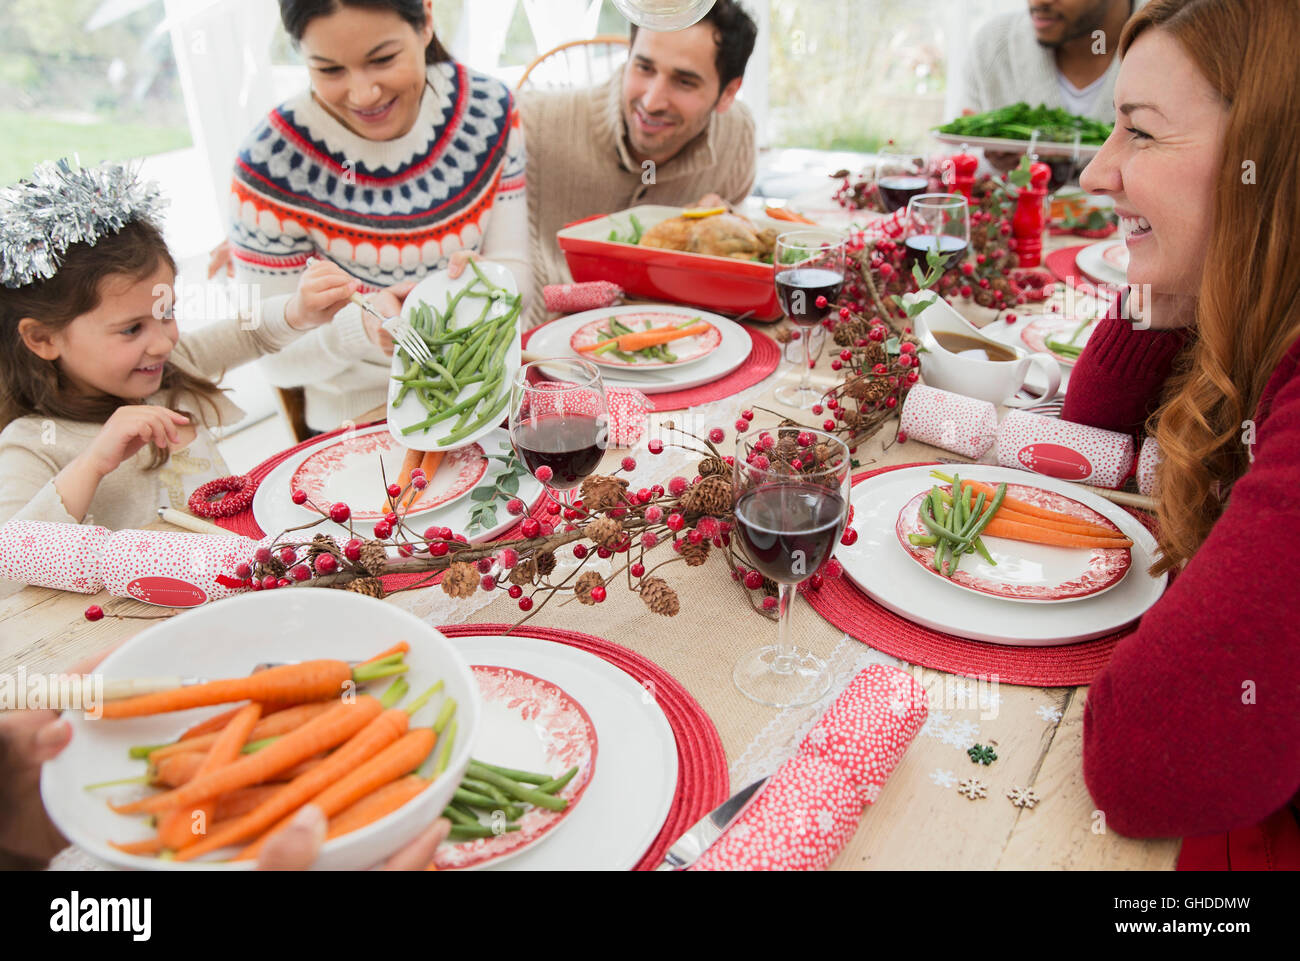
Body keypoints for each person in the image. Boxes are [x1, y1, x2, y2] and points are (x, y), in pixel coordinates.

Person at [1063, 0, 1300, 869]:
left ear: (1271, 162)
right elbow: (1091, 441)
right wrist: (1167, 273)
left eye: (1141, 134)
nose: (1095, 171)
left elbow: (1149, 760)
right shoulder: (1263, 311)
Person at [0, 160, 397, 531]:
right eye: (131, 329)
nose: (162, 342)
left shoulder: (172, 367)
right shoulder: (32, 443)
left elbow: (250, 332)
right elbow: (8, 570)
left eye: (167, 313)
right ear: (42, 338)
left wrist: (299, 311)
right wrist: (92, 464)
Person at [231, 0, 528, 434]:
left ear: (426, 19)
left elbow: (517, 267)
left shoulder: (490, 111)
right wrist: (362, 325)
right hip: (358, 423)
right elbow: (273, 359)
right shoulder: (271, 163)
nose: (363, 94)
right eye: (329, 70)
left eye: (383, 60)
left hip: (490, 400)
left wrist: (490, 283)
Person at [518, 1, 758, 325]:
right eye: (644, 68)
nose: (651, 101)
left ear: (728, 93)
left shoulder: (737, 136)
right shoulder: (535, 123)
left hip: (684, 347)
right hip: (544, 348)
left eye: (684, 81)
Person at [961, 1, 1146, 123]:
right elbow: (955, 158)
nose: (1038, 2)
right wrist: (991, 159)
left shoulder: (1170, 40)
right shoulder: (995, 45)